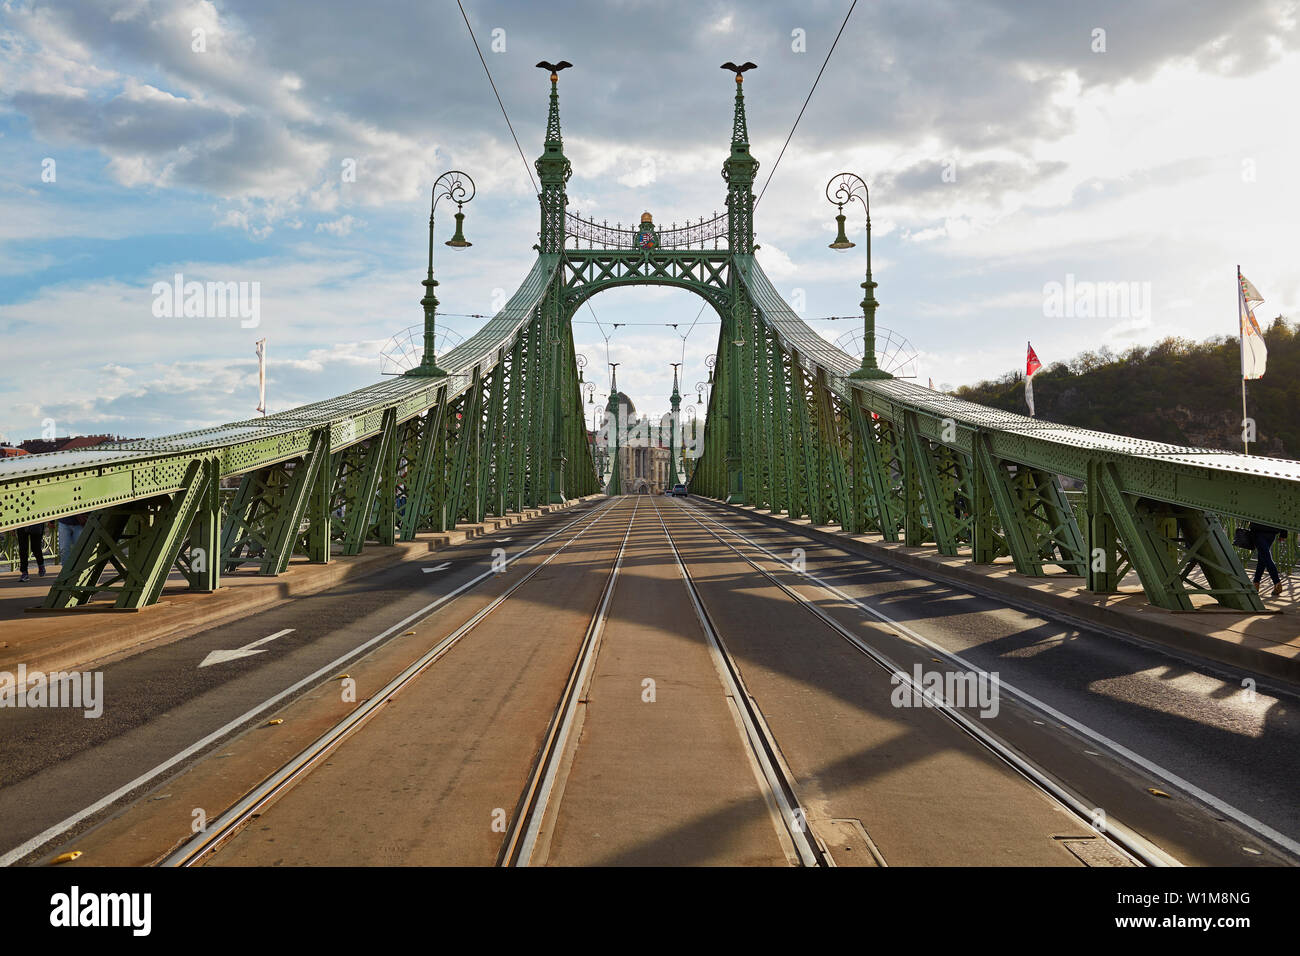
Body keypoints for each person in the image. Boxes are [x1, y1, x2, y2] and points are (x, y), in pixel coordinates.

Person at [1248, 522, 1284, 597]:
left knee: (1266, 558)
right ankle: (1256, 583)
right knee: (1262, 558)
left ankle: (1277, 582)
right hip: (1272, 531)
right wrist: (1283, 533)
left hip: (1258, 530)